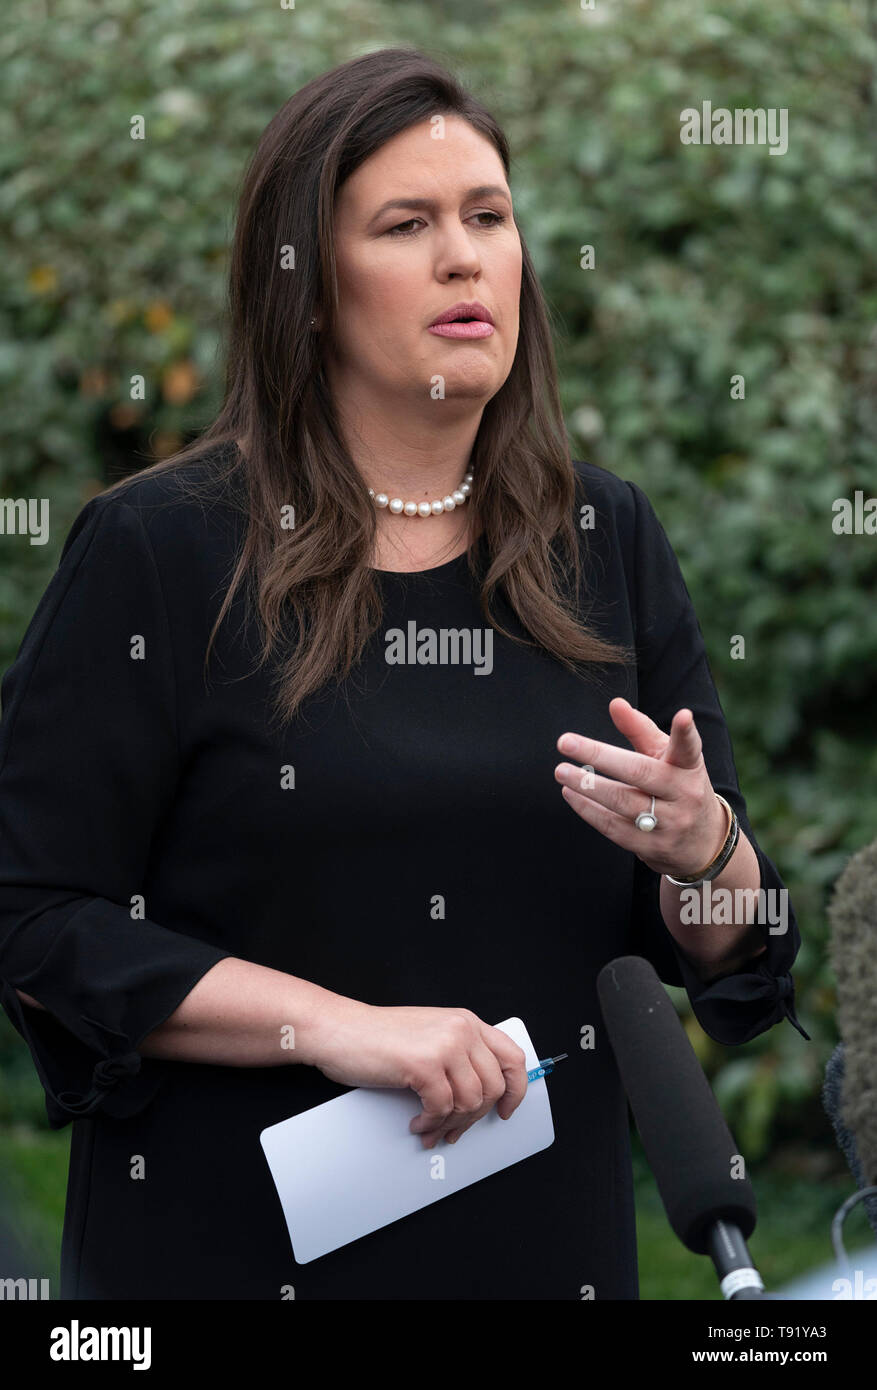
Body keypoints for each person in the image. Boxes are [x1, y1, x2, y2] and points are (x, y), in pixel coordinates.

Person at [0, 47, 807, 1301]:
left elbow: (734, 966)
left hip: (545, 1255)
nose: (464, 255)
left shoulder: (604, 540)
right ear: (309, 288)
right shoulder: (162, 550)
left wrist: (707, 857)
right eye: (406, 223)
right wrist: (339, 1026)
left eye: (488, 216)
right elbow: (35, 911)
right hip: (233, 1252)